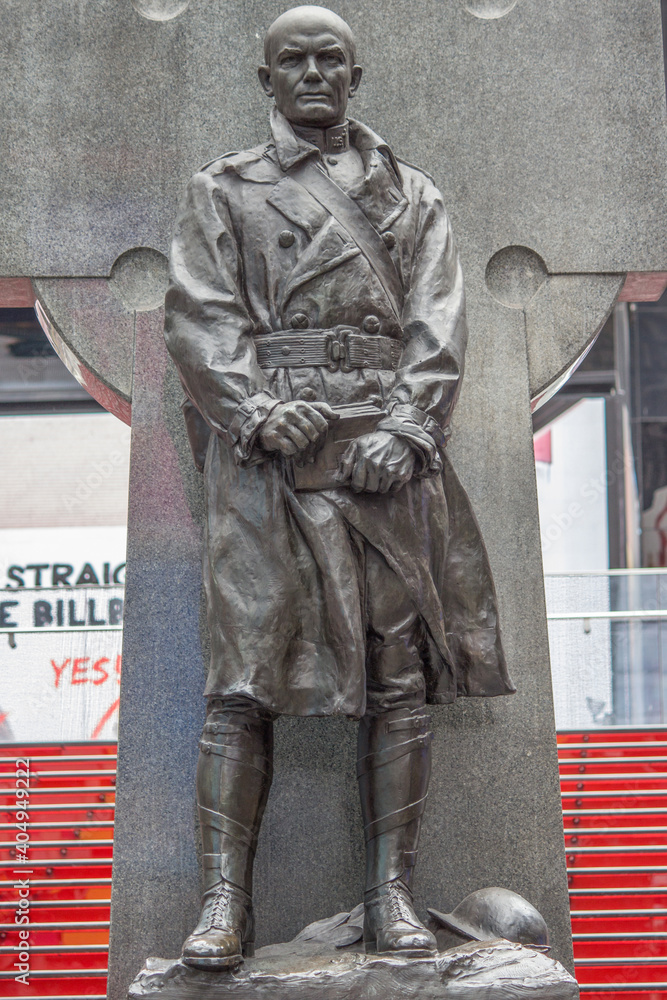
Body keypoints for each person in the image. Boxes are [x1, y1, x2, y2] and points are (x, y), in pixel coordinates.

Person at [164, 4, 514, 971]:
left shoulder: (412, 195)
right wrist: (249, 409)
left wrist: (407, 426)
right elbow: (197, 314)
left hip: (380, 459)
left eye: (330, 60)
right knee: (241, 686)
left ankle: (389, 894)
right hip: (269, 461)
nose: (313, 74)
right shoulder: (224, 191)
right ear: (265, 78)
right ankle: (222, 905)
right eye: (293, 61)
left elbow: (439, 321)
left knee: (398, 682)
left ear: (354, 76)